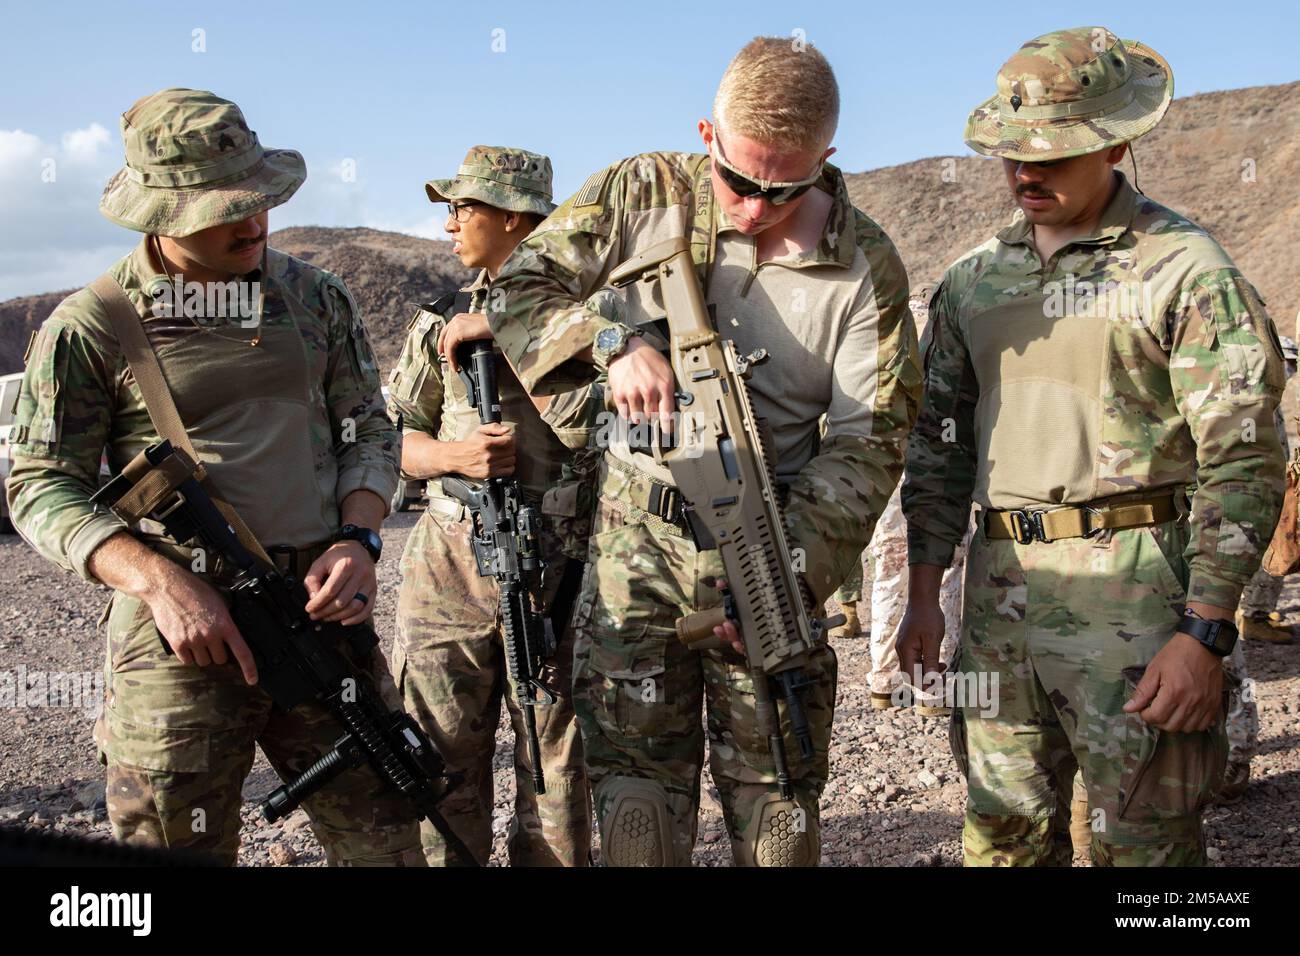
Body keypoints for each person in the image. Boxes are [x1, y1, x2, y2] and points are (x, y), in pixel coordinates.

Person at [444, 37, 920, 866]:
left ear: (828, 160)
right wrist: (612, 340)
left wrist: (790, 571)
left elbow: (868, 442)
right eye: (738, 181)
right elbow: (521, 285)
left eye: (785, 187)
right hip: (640, 548)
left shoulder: (867, 267)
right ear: (707, 135)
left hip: (773, 550)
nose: (753, 209)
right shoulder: (642, 192)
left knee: (778, 814)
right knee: (635, 804)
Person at [898, 28, 1286, 866]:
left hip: (1140, 602)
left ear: (1116, 141)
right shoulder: (971, 282)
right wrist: (925, 593)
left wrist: (1206, 631)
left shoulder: (1185, 270)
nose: (1024, 174)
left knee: (1146, 851)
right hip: (1000, 600)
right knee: (1001, 837)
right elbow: (939, 446)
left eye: (1050, 155)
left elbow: (1244, 459)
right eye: (1009, 155)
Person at [4, 88, 422, 866]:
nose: (253, 222)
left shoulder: (315, 298)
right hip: (181, 640)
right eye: (222, 210)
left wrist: (362, 536)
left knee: (388, 839)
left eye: (260, 200)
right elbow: (38, 482)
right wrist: (159, 583)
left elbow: (369, 426)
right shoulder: (92, 326)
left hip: (320, 622)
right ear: (158, 213)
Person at [387, 146, 598, 865]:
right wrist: (453, 458)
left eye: (462, 208)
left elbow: (620, 431)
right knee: (439, 754)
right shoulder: (436, 320)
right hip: (449, 563)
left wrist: (515, 332)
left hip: (557, 570)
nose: (448, 225)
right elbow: (394, 439)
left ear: (513, 217)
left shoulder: (592, 319)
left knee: (557, 769)